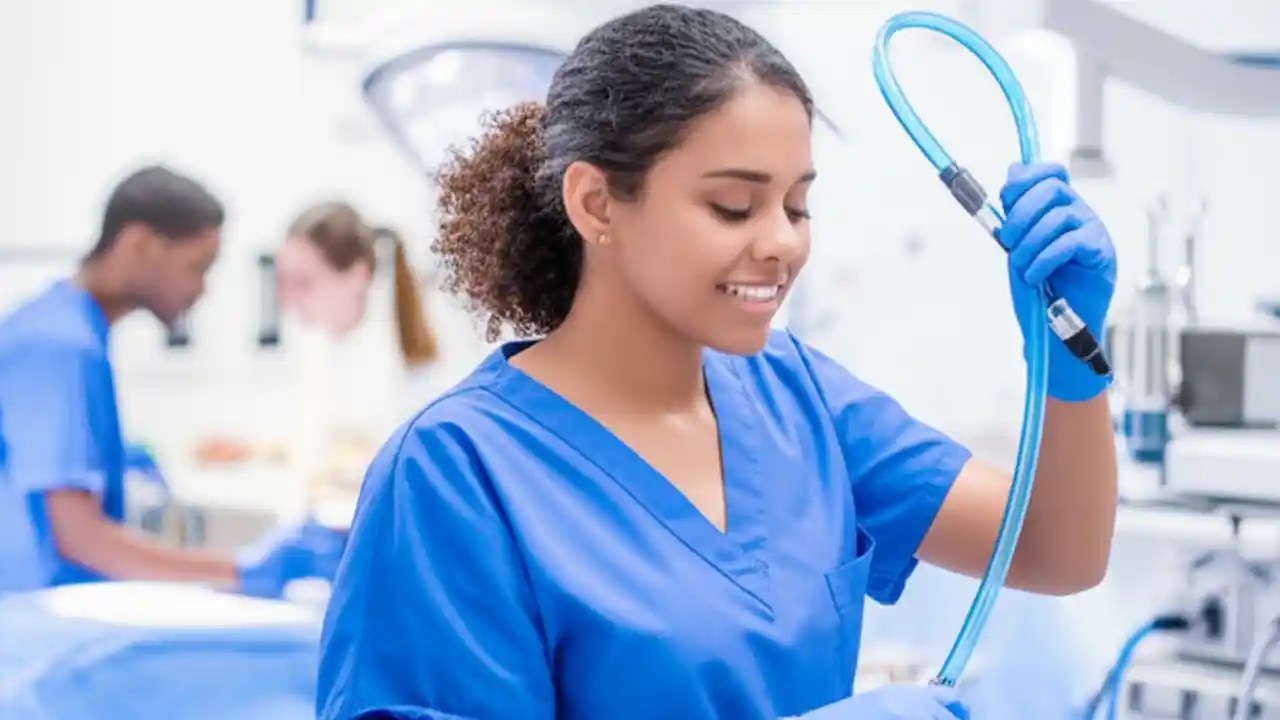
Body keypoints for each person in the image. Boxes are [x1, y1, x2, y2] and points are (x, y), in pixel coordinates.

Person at [315, 5, 1120, 720]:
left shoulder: (799, 398)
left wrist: (1069, 359)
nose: (782, 242)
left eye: (798, 205)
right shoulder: (457, 473)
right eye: (733, 206)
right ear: (596, 203)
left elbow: (1056, 550)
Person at [0, 164, 344, 597]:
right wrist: (242, 572)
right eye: (197, 266)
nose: (202, 289)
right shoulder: (61, 345)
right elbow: (79, 538)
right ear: (140, 245)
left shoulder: (65, 325)